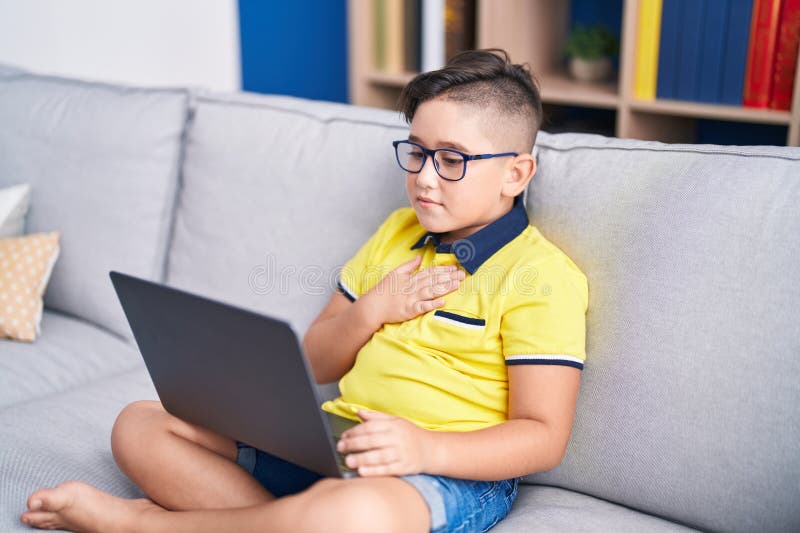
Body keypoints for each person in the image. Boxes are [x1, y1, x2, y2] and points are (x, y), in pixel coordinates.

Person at [20, 48, 588, 533]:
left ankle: (143, 523)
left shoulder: (542, 278)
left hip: (443, 472)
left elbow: (543, 437)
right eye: (416, 152)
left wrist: (426, 448)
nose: (423, 177)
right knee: (140, 424)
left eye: (452, 160)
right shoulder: (397, 234)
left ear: (515, 174)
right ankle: (292, 521)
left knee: (351, 513)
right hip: (335, 441)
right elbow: (317, 359)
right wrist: (372, 311)